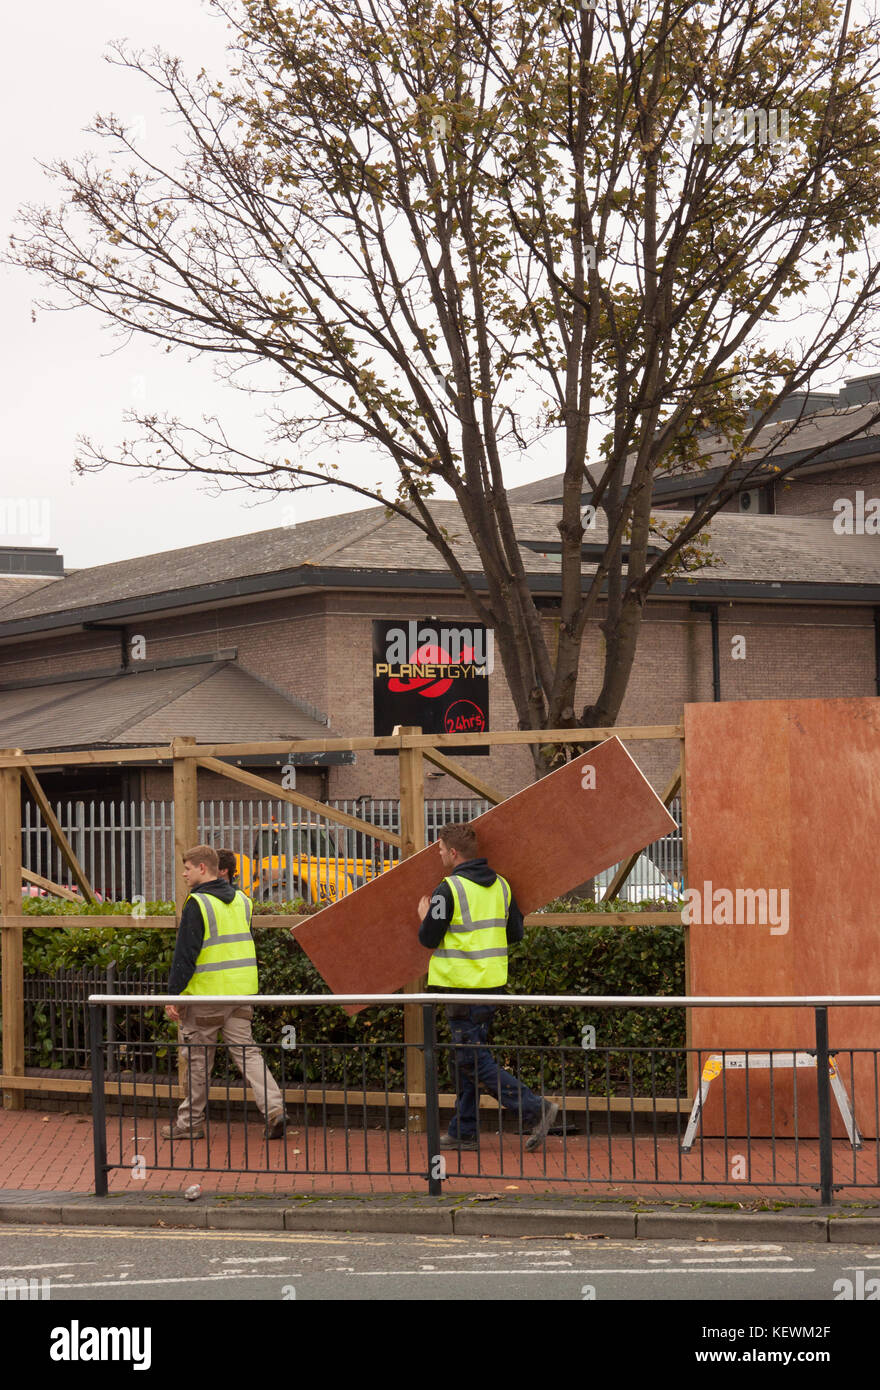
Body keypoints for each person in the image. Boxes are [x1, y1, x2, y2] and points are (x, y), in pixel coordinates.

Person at [417, 822, 558, 1151]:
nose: (437, 853)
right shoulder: (502, 888)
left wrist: (425, 915)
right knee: (467, 1058)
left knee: (472, 1061)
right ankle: (464, 1130)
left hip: (459, 989)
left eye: (439, 848)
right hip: (491, 987)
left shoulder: (447, 890)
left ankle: (536, 1109)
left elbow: (428, 939)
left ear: (453, 853)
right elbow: (515, 934)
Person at [161, 843, 287, 1141]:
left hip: (206, 998)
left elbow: (185, 955)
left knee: (197, 1059)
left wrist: (172, 995)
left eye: (188, 868)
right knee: (248, 1053)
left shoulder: (198, 903)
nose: (183, 873)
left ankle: (190, 1123)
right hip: (241, 995)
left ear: (202, 868)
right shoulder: (243, 900)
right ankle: (275, 1109)